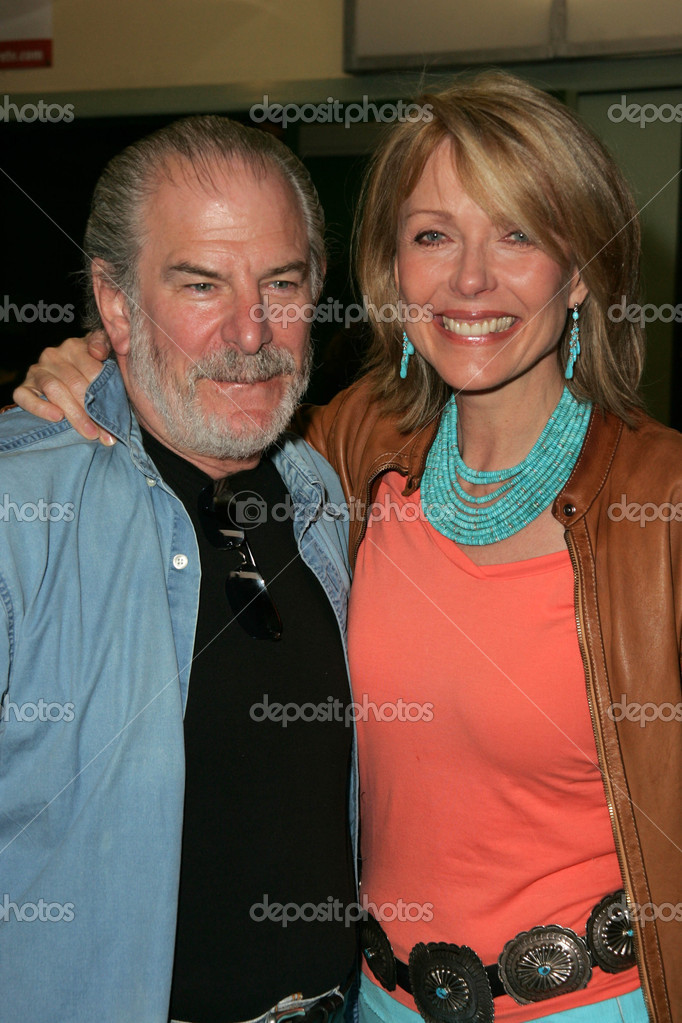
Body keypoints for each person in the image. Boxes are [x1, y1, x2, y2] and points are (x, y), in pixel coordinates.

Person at [15, 72, 682, 1023]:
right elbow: (210, 385)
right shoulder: (350, 455)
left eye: (519, 233)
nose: (470, 280)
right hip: (372, 1001)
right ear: (391, 268)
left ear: (581, 270)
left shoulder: (662, 507)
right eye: (433, 236)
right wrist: (95, 360)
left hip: (590, 1001)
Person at [0, 116, 360, 1023]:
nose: (252, 331)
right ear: (115, 305)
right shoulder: (19, 518)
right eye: (203, 284)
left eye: (281, 281)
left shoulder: (323, 494)